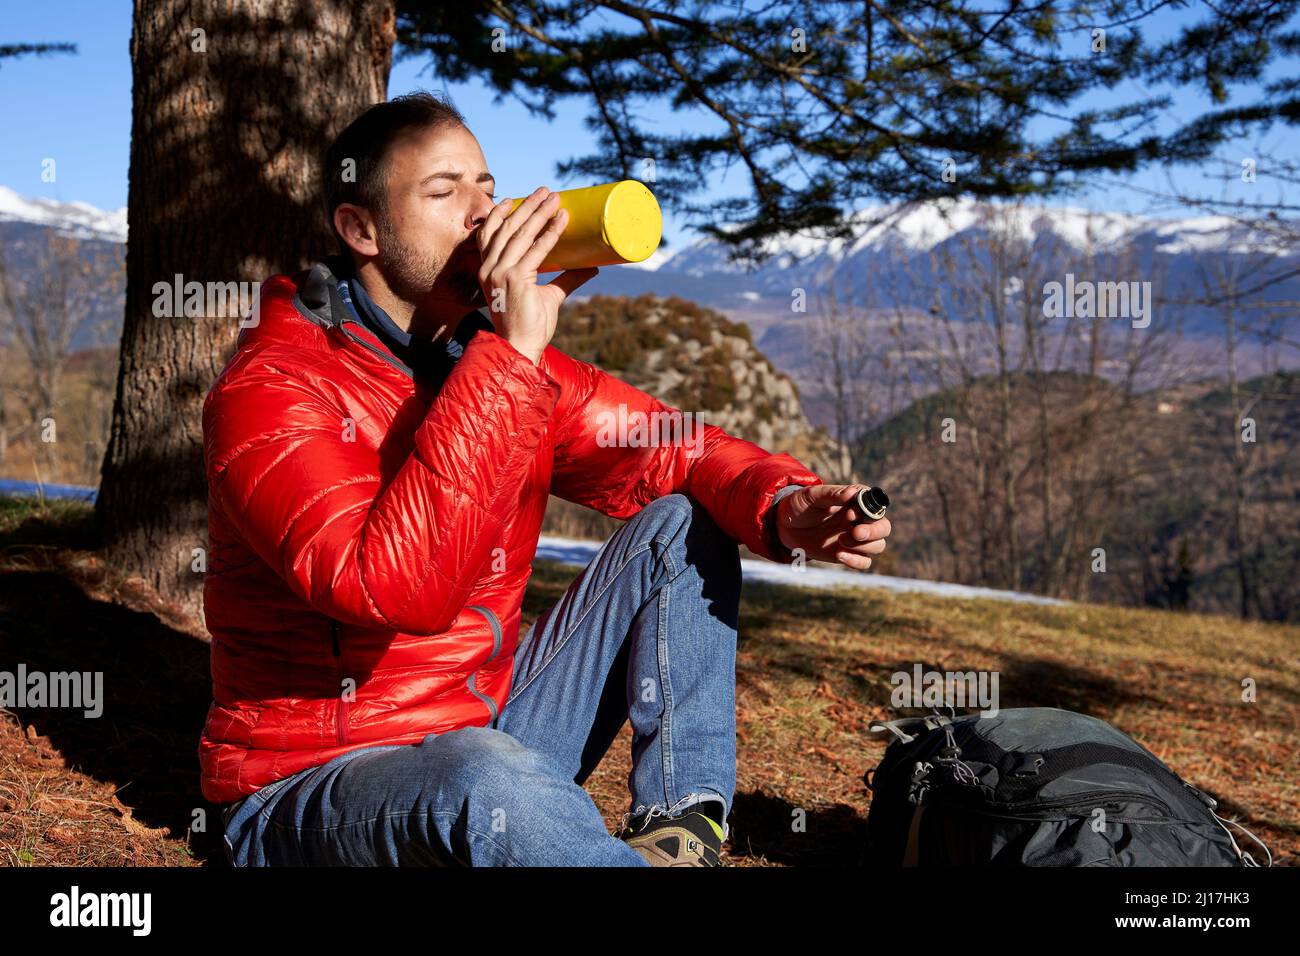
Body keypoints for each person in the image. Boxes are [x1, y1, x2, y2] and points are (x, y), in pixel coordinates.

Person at [199, 91, 893, 867]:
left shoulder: (481, 358)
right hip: (314, 786)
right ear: (361, 229)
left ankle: (678, 829)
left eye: (487, 188)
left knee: (682, 523)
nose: (483, 214)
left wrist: (783, 503)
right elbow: (393, 591)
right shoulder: (274, 389)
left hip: (484, 734)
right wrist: (510, 357)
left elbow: (672, 448)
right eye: (443, 191)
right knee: (485, 780)